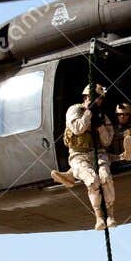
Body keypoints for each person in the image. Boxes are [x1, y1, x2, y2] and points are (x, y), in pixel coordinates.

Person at [49, 83, 116, 229]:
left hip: (98, 153)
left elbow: (107, 141)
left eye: (100, 99)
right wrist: (88, 114)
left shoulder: (102, 116)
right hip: (79, 155)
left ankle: (110, 215)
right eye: (95, 98)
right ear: (86, 97)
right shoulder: (75, 110)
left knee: (105, 177)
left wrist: (100, 126)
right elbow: (77, 129)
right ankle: (99, 216)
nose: (98, 102)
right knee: (92, 180)